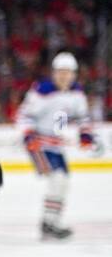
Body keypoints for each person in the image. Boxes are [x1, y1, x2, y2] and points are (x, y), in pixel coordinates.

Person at [18, 52, 96, 239]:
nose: (64, 76)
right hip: (39, 143)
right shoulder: (42, 90)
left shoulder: (76, 93)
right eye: (60, 72)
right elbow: (24, 115)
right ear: (53, 73)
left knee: (63, 182)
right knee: (57, 179)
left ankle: (51, 222)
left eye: (68, 72)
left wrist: (85, 134)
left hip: (55, 144)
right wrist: (28, 135)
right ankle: (48, 223)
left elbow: (81, 116)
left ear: (74, 74)